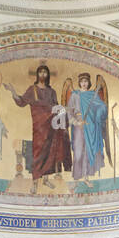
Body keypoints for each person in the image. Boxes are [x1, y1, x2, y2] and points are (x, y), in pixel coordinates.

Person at [4, 64, 72, 194]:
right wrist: (12, 91)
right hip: (39, 127)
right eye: (40, 72)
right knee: (38, 155)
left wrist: (65, 110)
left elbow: (56, 107)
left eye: (45, 73)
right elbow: (21, 102)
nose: (42, 75)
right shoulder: (32, 89)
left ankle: (46, 179)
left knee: (50, 153)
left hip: (51, 126)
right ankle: (35, 183)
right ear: (37, 75)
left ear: (47, 75)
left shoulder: (51, 92)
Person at [65, 72, 109, 183]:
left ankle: (86, 177)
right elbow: (69, 111)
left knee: (88, 152)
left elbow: (102, 107)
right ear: (79, 83)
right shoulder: (75, 95)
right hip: (79, 126)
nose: (84, 84)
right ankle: (76, 178)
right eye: (82, 81)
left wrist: (99, 113)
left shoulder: (93, 95)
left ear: (88, 83)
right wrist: (75, 122)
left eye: (86, 81)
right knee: (78, 151)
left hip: (91, 126)